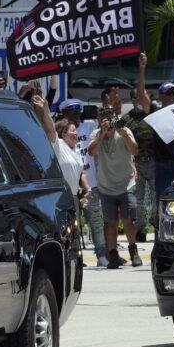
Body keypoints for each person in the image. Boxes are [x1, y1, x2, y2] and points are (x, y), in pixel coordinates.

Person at [88, 106, 142, 269]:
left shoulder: (124, 130)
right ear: (98, 120)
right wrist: (102, 133)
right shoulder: (96, 134)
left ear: (115, 118)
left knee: (127, 220)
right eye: (103, 118)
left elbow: (135, 150)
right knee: (110, 223)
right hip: (106, 186)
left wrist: (124, 134)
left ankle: (133, 251)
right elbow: (91, 152)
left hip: (126, 184)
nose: (107, 121)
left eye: (109, 117)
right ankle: (112, 254)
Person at [60, 98, 108, 266]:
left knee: (95, 221)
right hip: (71, 187)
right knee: (74, 225)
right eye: (71, 110)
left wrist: (107, 106)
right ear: (64, 113)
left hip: (90, 184)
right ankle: (76, 256)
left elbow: (105, 125)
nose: (76, 113)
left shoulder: (89, 127)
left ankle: (102, 255)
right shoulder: (62, 135)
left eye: (78, 110)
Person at [117, 53, 156, 242]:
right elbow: (118, 138)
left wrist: (142, 68)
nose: (145, 97)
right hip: (138, 164)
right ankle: (140, 230)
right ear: (133, 100)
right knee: (139, 201)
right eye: (141, 96)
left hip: (154, 162)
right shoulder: (127, 119)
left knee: (157, 199)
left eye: (145, 95)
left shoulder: (152, 112)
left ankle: (156, 225)